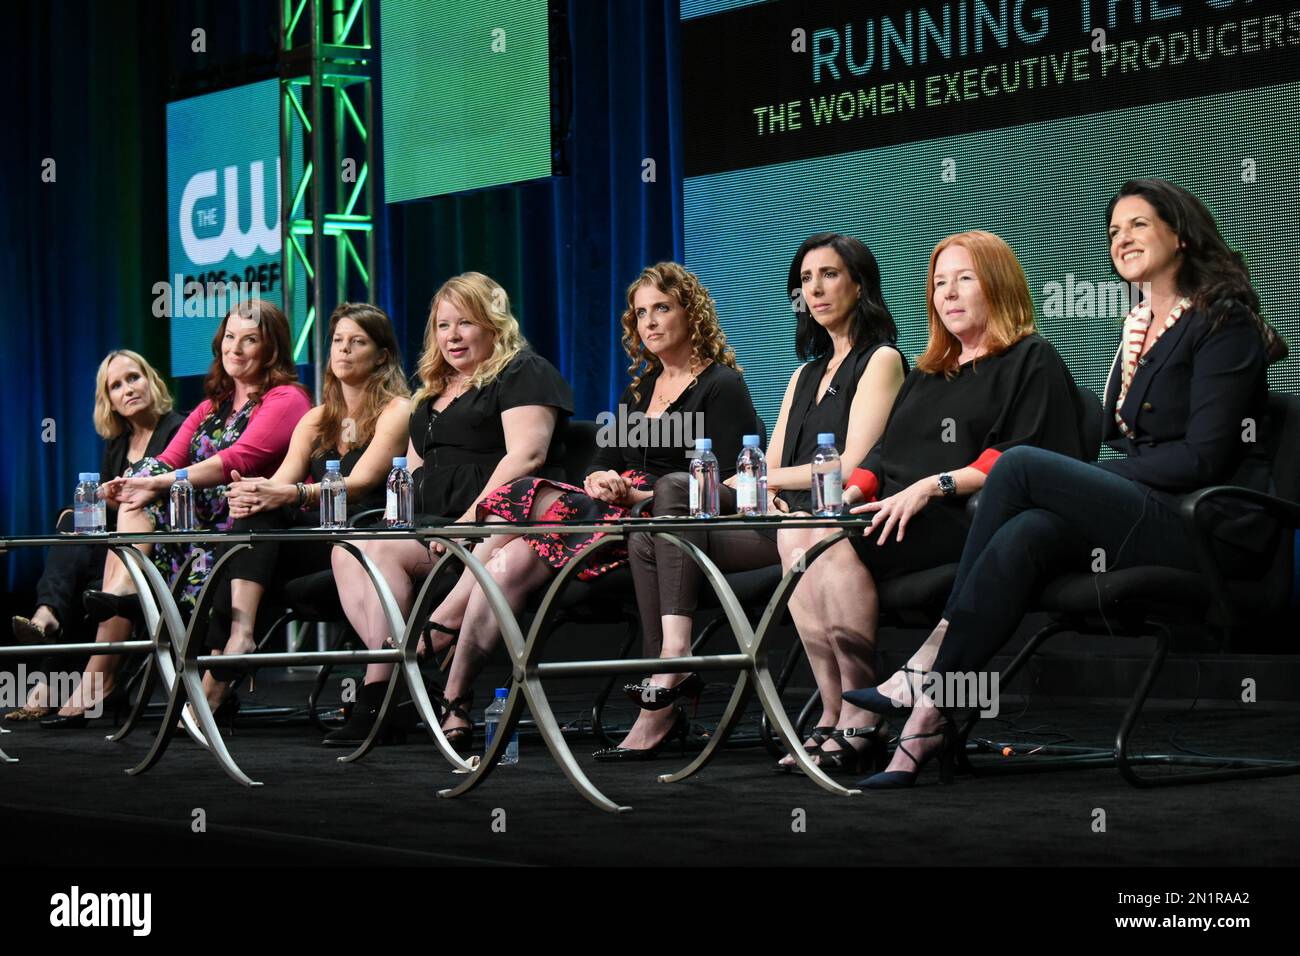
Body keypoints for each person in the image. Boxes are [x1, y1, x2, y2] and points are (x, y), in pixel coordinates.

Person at [846, 179, 1288, 789]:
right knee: (1027, 532)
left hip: (1205, 525)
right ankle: (924, 727)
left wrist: (1098, 474)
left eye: (1137, 225)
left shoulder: (1223, 320)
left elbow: (1204, 458)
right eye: (1112, 232)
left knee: (1022, 463)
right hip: (1150, 512)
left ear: (1181, 234)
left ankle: (932, 656)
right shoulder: (1141, 329)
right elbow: (1128, 434)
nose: (1122, 238)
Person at [779, 229, 1086, 774]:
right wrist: (849, 494)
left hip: (962, 520)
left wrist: (931, 485)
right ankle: (842, 709)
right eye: (939, 282)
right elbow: (879, 455)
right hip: (892, 511)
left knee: (825, 540)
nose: (948, 292)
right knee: (805, 527)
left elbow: (1024, 454)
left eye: (964, 279)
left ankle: (860, 718)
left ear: (997, 286)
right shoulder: (928, 371)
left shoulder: (1030, 358)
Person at [419, 262, 758, 754]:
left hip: (667, 520)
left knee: (523, 492)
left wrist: (640, 496)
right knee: (509, 559)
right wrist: (601, 479)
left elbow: (729, 480)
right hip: (606, 516)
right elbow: (600, 463)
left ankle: (441, 625)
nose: (651, 322)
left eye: (662, 308)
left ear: (693, 315)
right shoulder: (640, 390)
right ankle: (455, 699)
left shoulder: (720, 384)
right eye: (641, 313)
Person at [607, 233, 907, 760]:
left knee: (674, 488)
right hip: (780, 519)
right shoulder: (804, 372)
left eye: (829, 275)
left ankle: (676, 666)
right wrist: (731, 487)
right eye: (805, 280)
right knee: (650, 530)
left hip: (832, 520)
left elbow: (853, 463)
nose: (814, 289)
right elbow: (762, 464)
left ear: (860, 286)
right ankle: (667, 685)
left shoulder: (879, 359)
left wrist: (760, 485)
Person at [327, 272, 573, 745]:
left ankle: (384, 685)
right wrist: (401, 523)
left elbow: (527, 457)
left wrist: (468, 523)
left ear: (493, 325)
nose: (452, 336)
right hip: (434, 522)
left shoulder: (523, 371)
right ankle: (396, 681)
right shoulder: (430, 392)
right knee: (351, 550)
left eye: (466, 323)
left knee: (377, 552)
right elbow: (415, 472)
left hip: (499, 521)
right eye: (443, 326)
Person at [41, 299, 311, 727]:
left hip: (245, 528)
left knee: (145, 494)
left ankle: (125, 613)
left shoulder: (286, 398)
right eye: (229, 338)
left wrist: (158, 482)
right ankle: (128, 592)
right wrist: (134, 481)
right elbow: (167, 458)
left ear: (271, 348)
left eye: (250, 340)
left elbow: (236, 456)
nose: (235, 349)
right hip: (193, 532)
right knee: (132, 497)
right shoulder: (211, 407)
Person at [198, 302, 411, 717]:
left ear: (382, 355)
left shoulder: (397, 410)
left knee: (255, 527)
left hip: (361, 538)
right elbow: (281, 481)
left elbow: (362, 483)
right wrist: (253, 491)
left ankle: (212, 691)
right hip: (313, 539)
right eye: (337, 342)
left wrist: (286, 495)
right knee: (253, 518)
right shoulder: (317, 420)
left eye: (357, 342)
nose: (344, 350)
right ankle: (237, 641)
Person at [4, 350, 182, 721]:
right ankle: (49, 620)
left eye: (133, 378)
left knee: (87, 571)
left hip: (162, 549)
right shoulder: (117, 446)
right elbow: (110, 514)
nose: (128, 389)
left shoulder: (177, 430)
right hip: (119, 550)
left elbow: (177, 499)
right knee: (73, 525)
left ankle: (53, 665)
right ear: (110, 401)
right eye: (116, 386)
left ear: (150, 380)